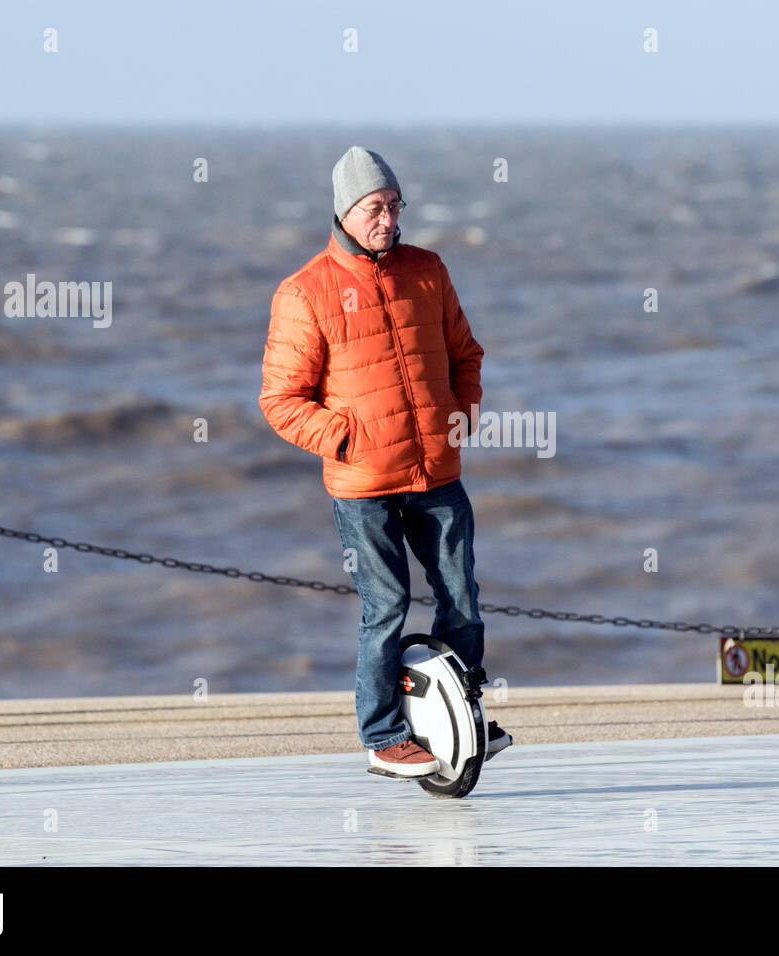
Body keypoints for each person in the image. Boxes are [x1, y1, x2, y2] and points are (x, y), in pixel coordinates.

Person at [258, 146, 511, 777]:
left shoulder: (427, 269)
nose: (389, 219)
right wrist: (347, 441)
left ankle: (466, 708)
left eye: (395, 206)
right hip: (364, 483)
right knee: (388, 608)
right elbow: (280, 401)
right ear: (346, 211)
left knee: (463, 601)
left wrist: (462, 413)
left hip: (437, 474)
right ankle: (381, 733)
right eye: (377, 208)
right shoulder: (305, 290)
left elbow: (466, 353)